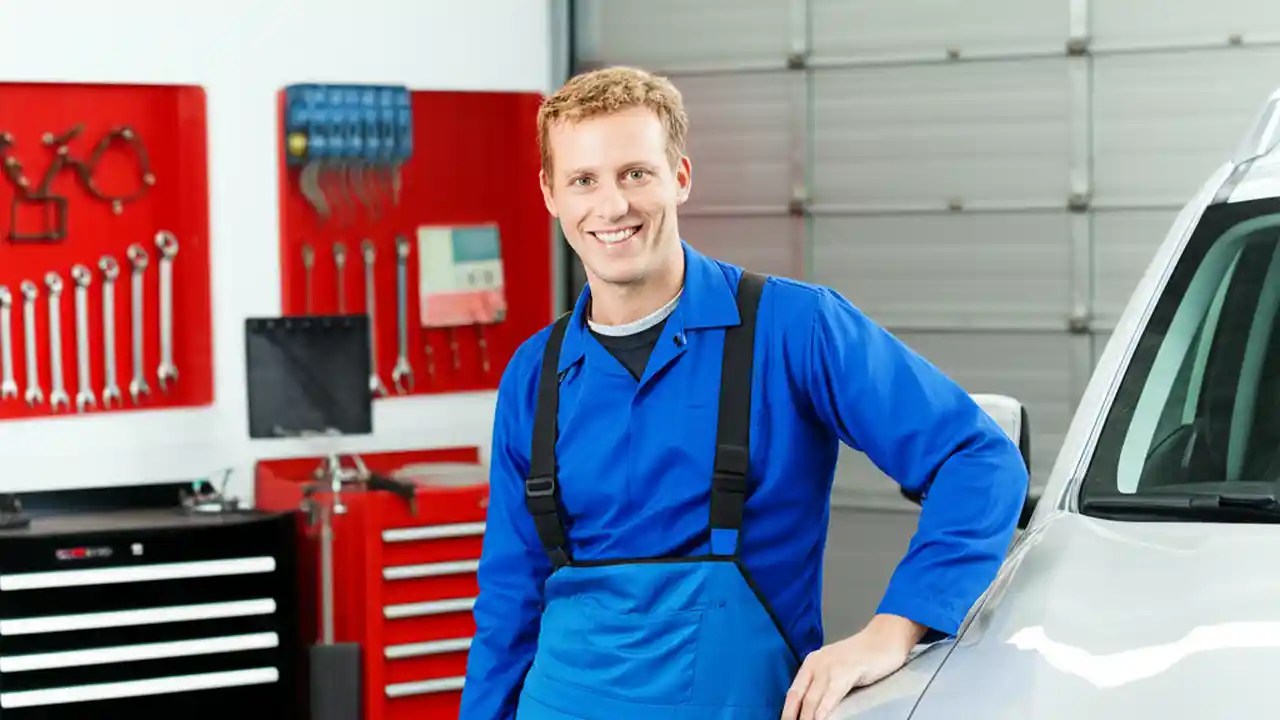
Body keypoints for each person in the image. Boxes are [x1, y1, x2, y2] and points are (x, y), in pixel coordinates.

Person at [459, 66, 1028, 720]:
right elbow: (508, 602)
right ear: (550, 194)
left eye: (635, 174)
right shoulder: (535, 374)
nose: (612, 206)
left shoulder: (795, 329)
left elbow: (978, 459)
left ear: (680, 176)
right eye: (584, 180)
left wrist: (894, 629)